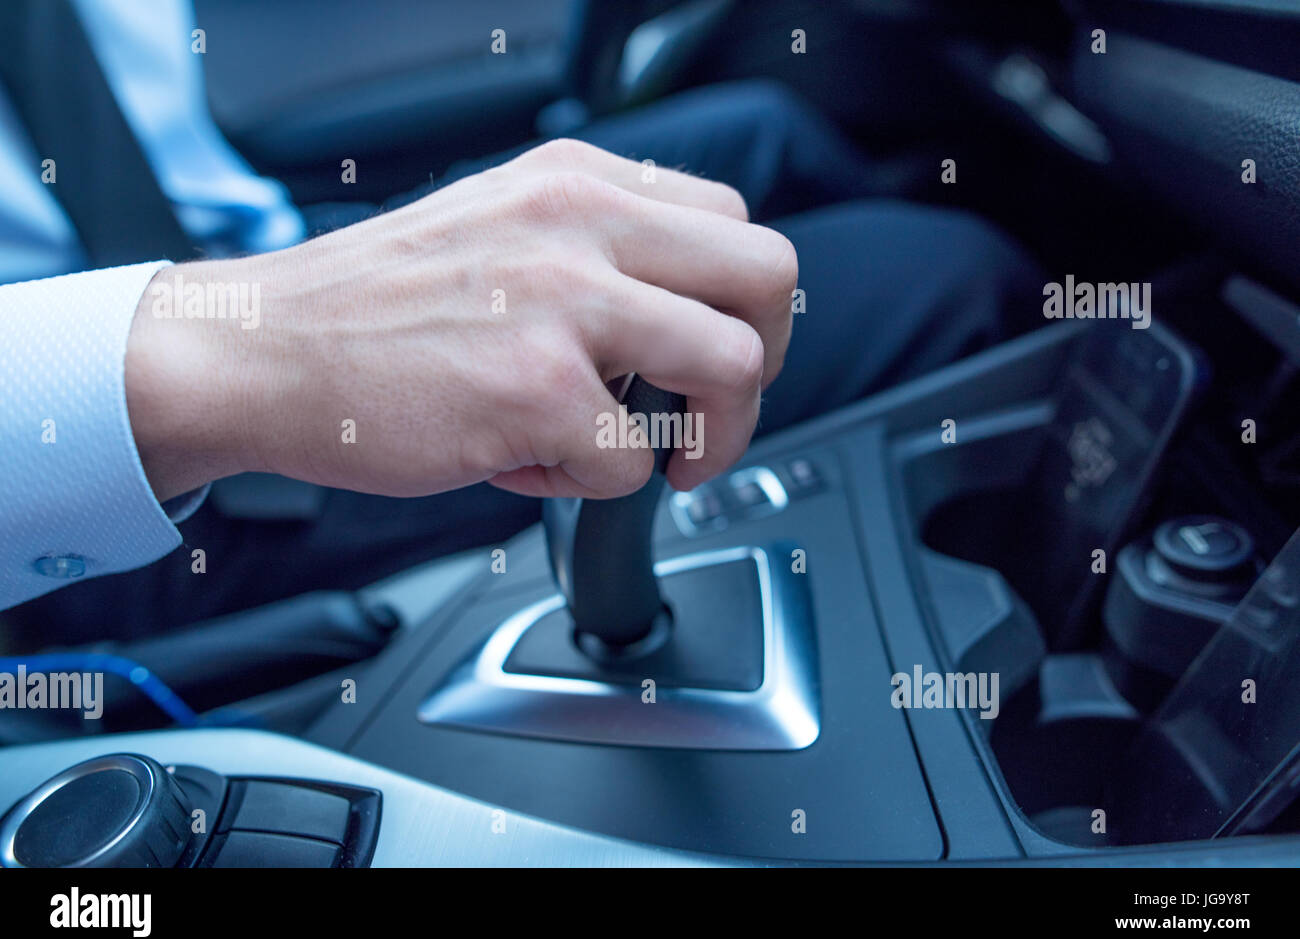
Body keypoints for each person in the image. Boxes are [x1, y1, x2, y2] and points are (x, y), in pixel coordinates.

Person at [0, 1, 1043, 642]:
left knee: (758, 132)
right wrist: (235, 352)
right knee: (949, 275)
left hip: (246, 243)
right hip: (106, 471)